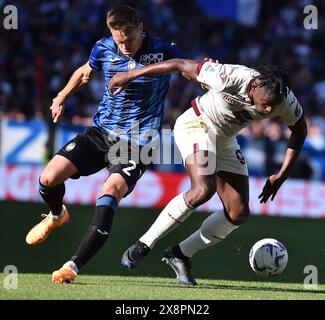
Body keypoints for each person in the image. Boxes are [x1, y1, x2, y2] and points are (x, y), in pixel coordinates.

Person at [109, 58, 308, 285]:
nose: (270, 109)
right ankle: (144, 244)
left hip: (225, 139)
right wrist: (130, 75)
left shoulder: (283, 97)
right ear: (254, 87)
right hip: (197, 124)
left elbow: (300, 130)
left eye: (274, 104)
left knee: (238, 213)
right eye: (266, 103)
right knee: (203, 189)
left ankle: (180, 254)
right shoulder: (230, 76)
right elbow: (179, 64)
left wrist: (283, 172)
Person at [25, 5, 184, 284]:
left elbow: (188, 66)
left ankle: (71, 267)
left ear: (140, 28)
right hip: (100, 132)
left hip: (137, 140)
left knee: (110, 192)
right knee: (48, 179)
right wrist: (61, 96)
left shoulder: (163, 49)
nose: (125, 47)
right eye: (119, 41)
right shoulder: (103, 48)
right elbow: (84, 71)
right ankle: (56, 214)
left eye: (130, 40)